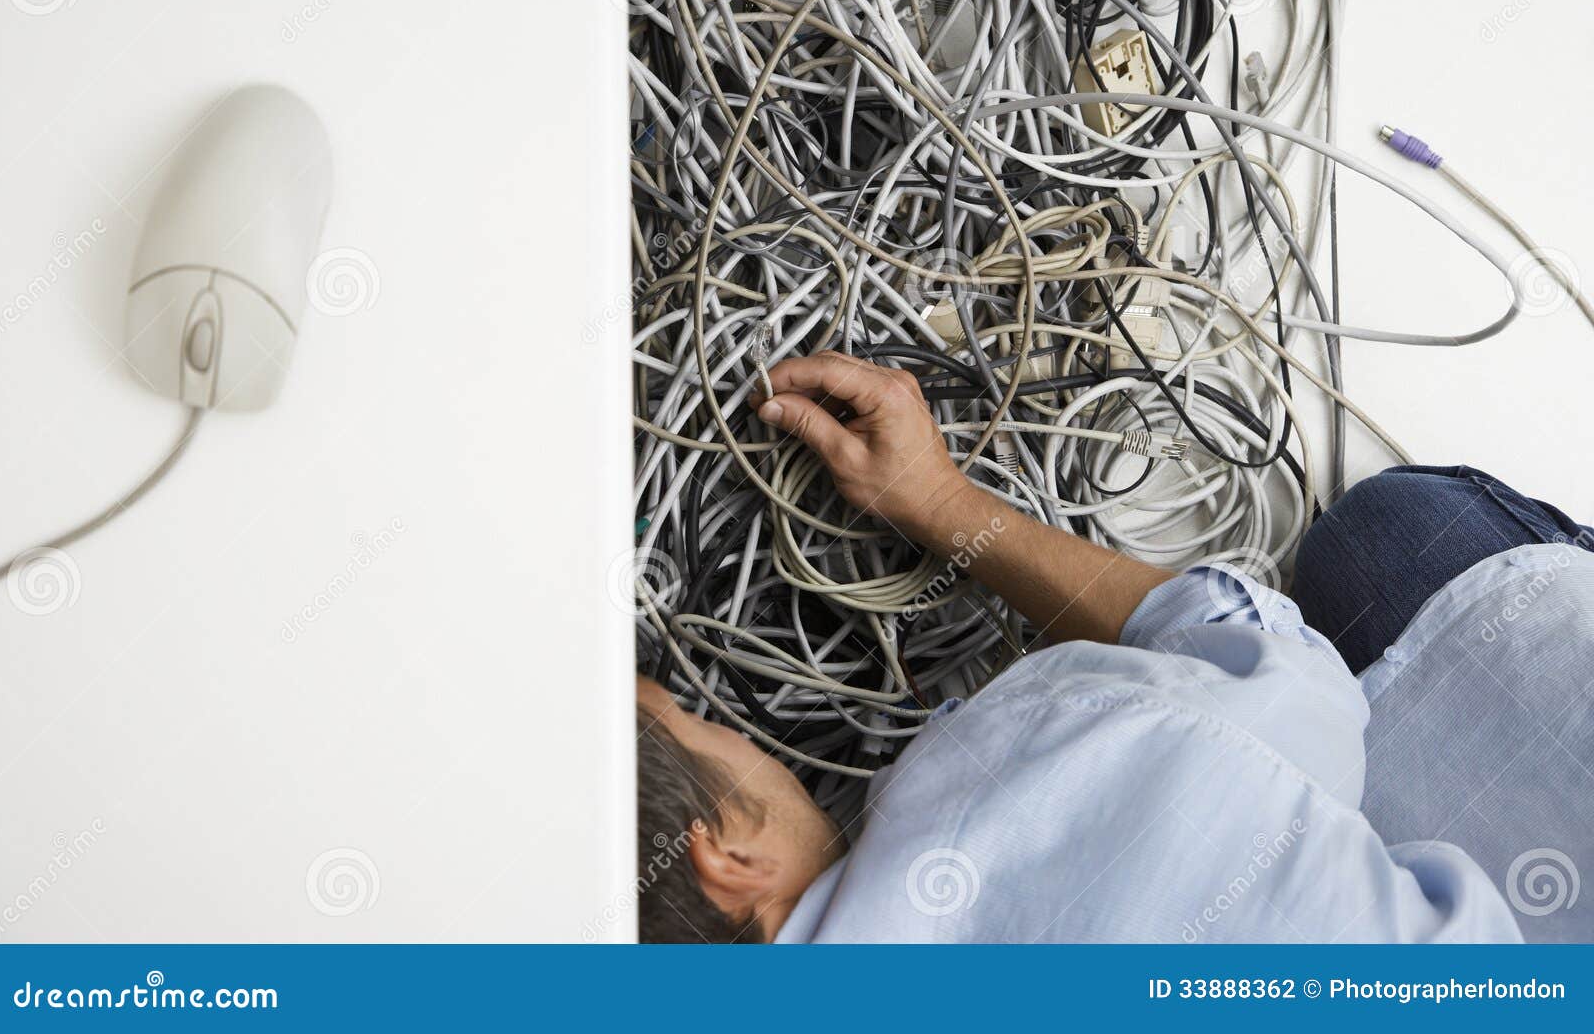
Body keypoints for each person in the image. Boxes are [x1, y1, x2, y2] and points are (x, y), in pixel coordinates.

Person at [637, 353, 1594, 943]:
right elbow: (1298, 683)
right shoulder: (1024, 776)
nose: (725, 724)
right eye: (686, 717)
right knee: (1389, 537)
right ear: (724, 856)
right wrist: (942, 502)